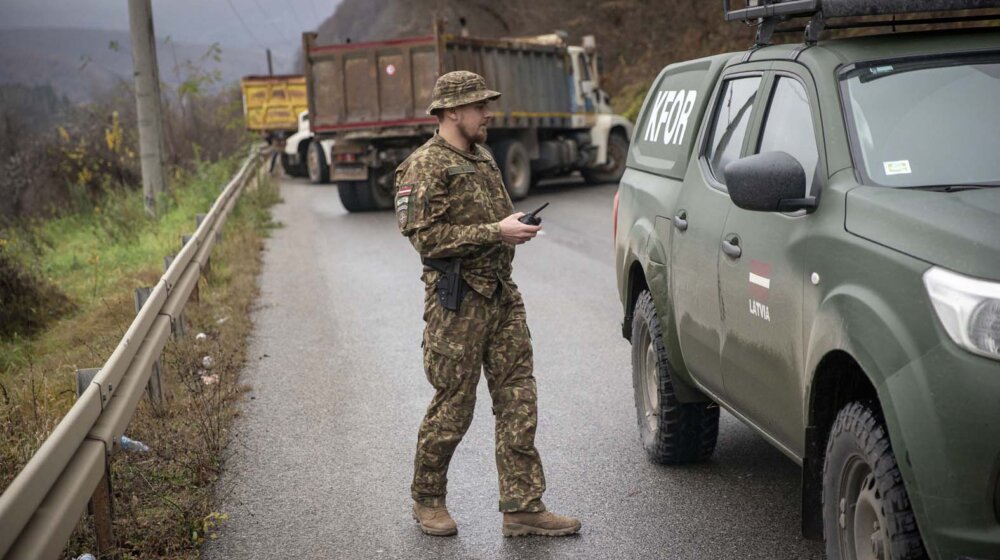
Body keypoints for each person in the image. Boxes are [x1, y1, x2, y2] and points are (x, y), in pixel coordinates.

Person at [394, 70, 581, 538]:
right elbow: (426, 238)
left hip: (501, 294)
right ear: (451, 111)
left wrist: (513, 224)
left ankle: (522, 507)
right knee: (453, 407)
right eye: (479, 106)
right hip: (457, 302)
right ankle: (427, 499)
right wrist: (497, 232)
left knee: (519, 399)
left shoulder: (483, 157)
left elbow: (495, 218)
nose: (488, 113)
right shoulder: (424, 166)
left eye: (486, 104)